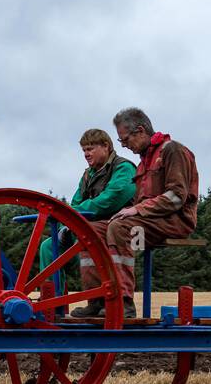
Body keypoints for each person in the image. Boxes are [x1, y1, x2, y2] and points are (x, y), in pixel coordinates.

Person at [77, 107, 199, 319]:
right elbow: (140, 199)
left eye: (125, 140)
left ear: (140, 130)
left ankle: (123, 303)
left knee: (121, 228)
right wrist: (127, 210)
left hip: (174, 222)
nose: (124, 145)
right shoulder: (145, 159)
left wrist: (136, 209)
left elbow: (176, 197)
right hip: (148, 221)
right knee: (90, 230)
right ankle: (96, 300)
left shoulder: (173, 151)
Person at [38, 129, 135, 293]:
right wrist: (68, 223)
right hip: (87, 229)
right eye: (84, 150)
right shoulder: (87, 175)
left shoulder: (124, 168)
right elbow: (76, 202)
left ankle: (104, 297)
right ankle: (53, 300)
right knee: (49, 246)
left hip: (115, 229)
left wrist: (72, 214)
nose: (86, 154)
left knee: (87, 240)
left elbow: (109, 201)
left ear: (105, 146)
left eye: (90, 149)